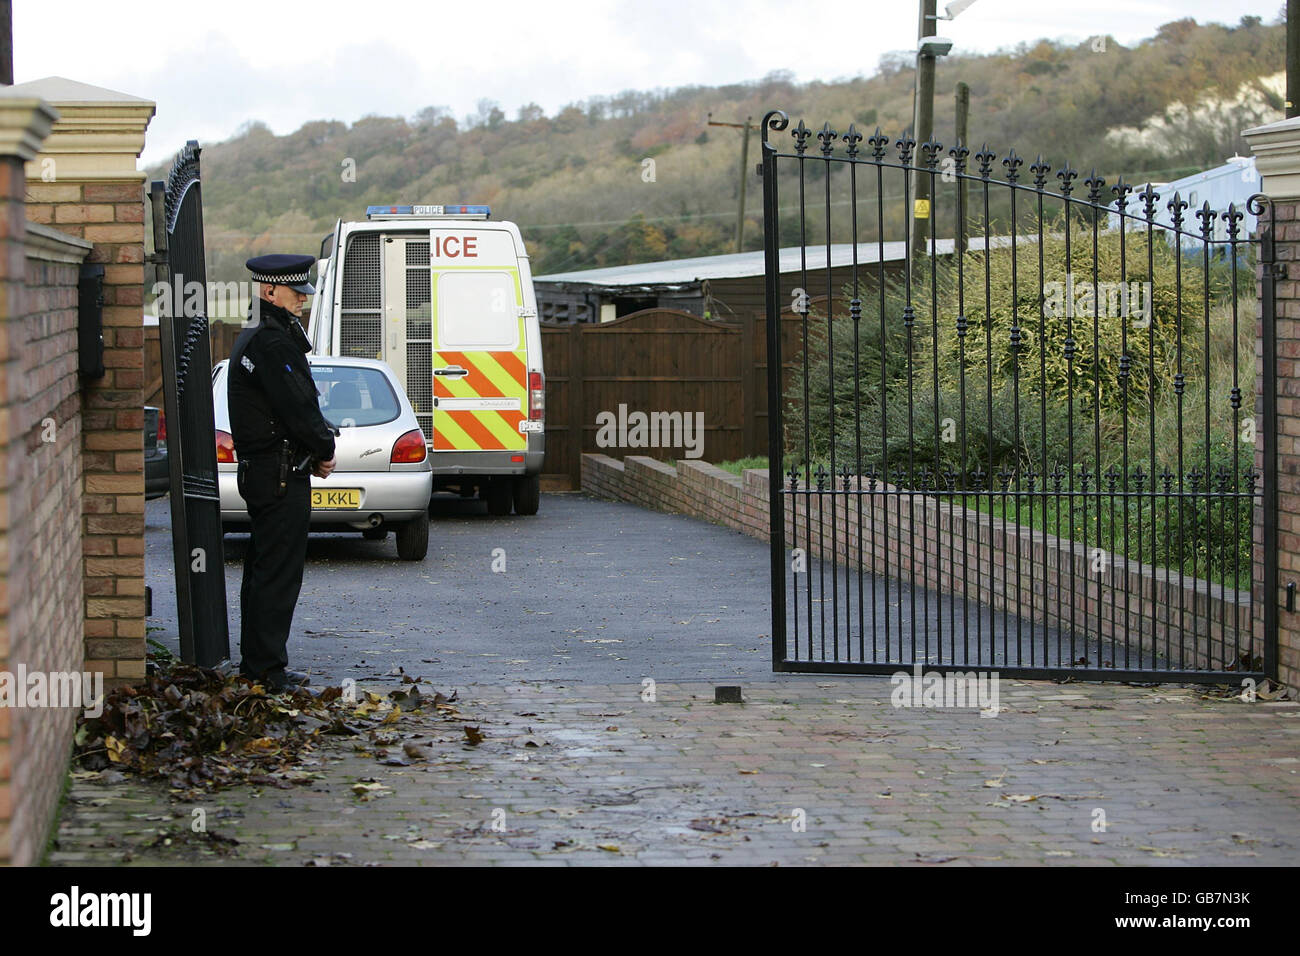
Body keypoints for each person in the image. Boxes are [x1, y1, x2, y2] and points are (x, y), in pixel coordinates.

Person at [227, 254, 337, 692]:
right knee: (278, 573)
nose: (303, 302)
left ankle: (259, 664)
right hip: (279, 472)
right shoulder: (272, 342)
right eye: (296, 294)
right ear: (269, 291)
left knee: (263, 568)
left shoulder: (254, 334)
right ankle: (266, 670)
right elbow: (298, 404)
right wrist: (324, 448)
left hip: (264, 470)